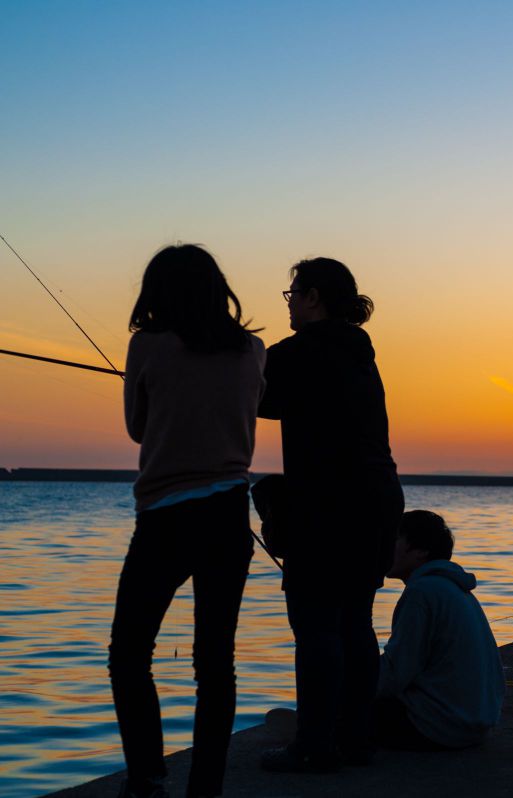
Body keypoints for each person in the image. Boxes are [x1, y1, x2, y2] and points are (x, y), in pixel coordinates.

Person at [109, 244, 266, 798]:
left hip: (166, 517)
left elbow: (136, 427)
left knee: (129, 653)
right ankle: (206, 789)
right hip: (228, 515)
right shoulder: (253, 349)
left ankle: (148, 778)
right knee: (214, 663)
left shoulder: (146, 346)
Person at [258, 258, 405, 772]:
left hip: (328, 503)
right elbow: (270, 399)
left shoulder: (301, 352)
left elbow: (249, 389)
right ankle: (354, 739)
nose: (291, 302)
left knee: (316, 624)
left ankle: (314, 746)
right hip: (378, 498)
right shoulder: (357, 350)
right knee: (355, 622)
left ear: (314, 296)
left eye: (293, 293)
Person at [374, 510, 504, 750]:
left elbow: (395, 675)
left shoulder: (421, 593)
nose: (383, 547)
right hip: (476, 724)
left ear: (421, 550)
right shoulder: (454, 588)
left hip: (441, 726)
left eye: (393, 540)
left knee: (343, 707)